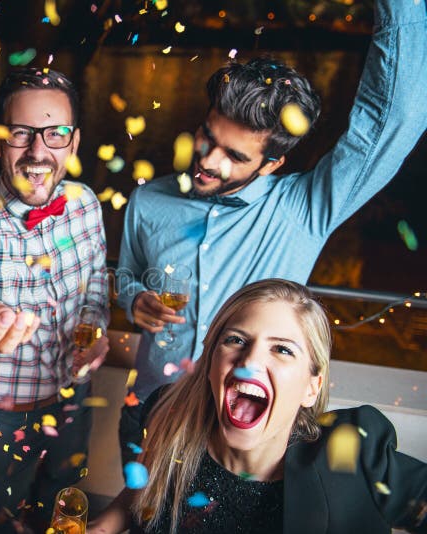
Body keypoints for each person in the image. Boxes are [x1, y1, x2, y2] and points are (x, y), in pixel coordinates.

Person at [116, 0, 427, 466]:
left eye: (235, 157)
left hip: (240, 435)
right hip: (149, 412)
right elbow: (126, 274)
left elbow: (392, 121)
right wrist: (135, 297)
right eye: (208, 138)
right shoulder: (148, 201)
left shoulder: (305, 207)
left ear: (273, 163)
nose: (208, 161)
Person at [89, 278, 427, 533]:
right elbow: (140, 495)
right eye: (236, 340)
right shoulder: (171, 415)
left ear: (312, 387)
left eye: (282, 349)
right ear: (210, 364)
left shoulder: (355, 459)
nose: (249, 360)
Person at [0, 68, 110, 532]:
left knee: (63, 491)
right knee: (2, 511)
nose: (38, 152)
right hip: (7, 411)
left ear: (73, 144)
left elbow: (94, 283)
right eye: (21, 134)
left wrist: (96, 329)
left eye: (55, 134)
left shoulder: (86, 203)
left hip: (74, 395)